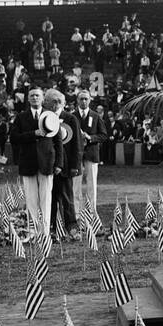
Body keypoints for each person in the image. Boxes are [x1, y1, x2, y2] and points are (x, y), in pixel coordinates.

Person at [10, 86, 58, 239]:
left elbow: (58, 142)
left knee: (46, 198)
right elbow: (14, 138)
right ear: (28, 99)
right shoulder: (21, 117)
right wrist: (33, 134)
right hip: (28, 161)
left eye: (37, 95)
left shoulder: (50, 115)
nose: (34, 98)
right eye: (31, 96)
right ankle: (33, 232)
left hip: (47, 162)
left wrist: (59, 163)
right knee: (31, 199)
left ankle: (45, 232)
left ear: (42, 98)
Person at [68, 88, 108, 229]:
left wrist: (90, 137)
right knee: (76, 186)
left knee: (92, 185)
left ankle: (91, 213)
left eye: (86, 99)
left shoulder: (95, 116)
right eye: (81, 99)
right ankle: (77, 214)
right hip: (76, 156)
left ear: (90, 100)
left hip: (91, 154)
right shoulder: (71, 116)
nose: (84, 101)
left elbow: (103, 135)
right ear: (77, 101)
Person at [51, 92, 81, 239]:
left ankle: (72, 228)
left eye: (59, 101)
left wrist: (75, 165)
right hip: (49, 165)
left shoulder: (71, 118)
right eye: (53, 101)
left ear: (64, 103)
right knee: (50, 199)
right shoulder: (44, 117)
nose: (56, 103)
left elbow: (77, 143)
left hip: (67, 165)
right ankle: (52, 227)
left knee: (67, 198)